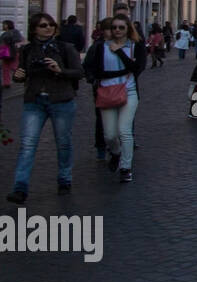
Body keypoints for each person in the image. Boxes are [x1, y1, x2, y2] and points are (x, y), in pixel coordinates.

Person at [7, 14, 83, 203]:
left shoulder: (65, 48)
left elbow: (79, 72)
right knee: (27, 145)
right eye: (43, 25)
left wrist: (60, 70)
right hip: (34, 101)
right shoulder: (27, 50)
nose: (48, 28)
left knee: (63, 142)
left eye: (51, 25)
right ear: (34, 29)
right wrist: (18, 76)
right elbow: (22, 76)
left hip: (61, 100)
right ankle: (20, 188)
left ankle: (64, 179)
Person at [83, 14, 146, 183]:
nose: (117, 30)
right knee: (110, 135)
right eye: (114, 27)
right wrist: (122, 71)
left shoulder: (136, 46)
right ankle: (116, 153)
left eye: (121, 27)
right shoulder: (101, 47)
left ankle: (126, 168)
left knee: (124, 131)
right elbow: (97, 72)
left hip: (129, 91)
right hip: (106, 92)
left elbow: (138, 67)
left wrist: (120, 52)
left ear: (128, 29)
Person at [1, 19, 23, 88]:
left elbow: (18, 39)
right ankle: (6, 83)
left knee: (14, 67)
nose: (3, 26)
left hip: (12, 51)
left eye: (4, 24)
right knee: (5, 68)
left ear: (7, 25)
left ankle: (25, 76)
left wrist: (8, 40)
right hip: (4, 51)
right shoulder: (4, 33)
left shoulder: (14, 32)